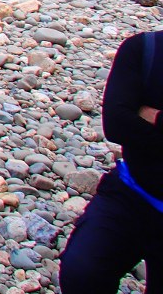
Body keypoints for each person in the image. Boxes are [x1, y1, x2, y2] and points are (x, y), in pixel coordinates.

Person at [58, 29, 162, 293]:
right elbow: (116, 124)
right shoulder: (145, 49)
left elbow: (129, 122)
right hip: (133, 194)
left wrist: (154, 117)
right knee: (82, 272)